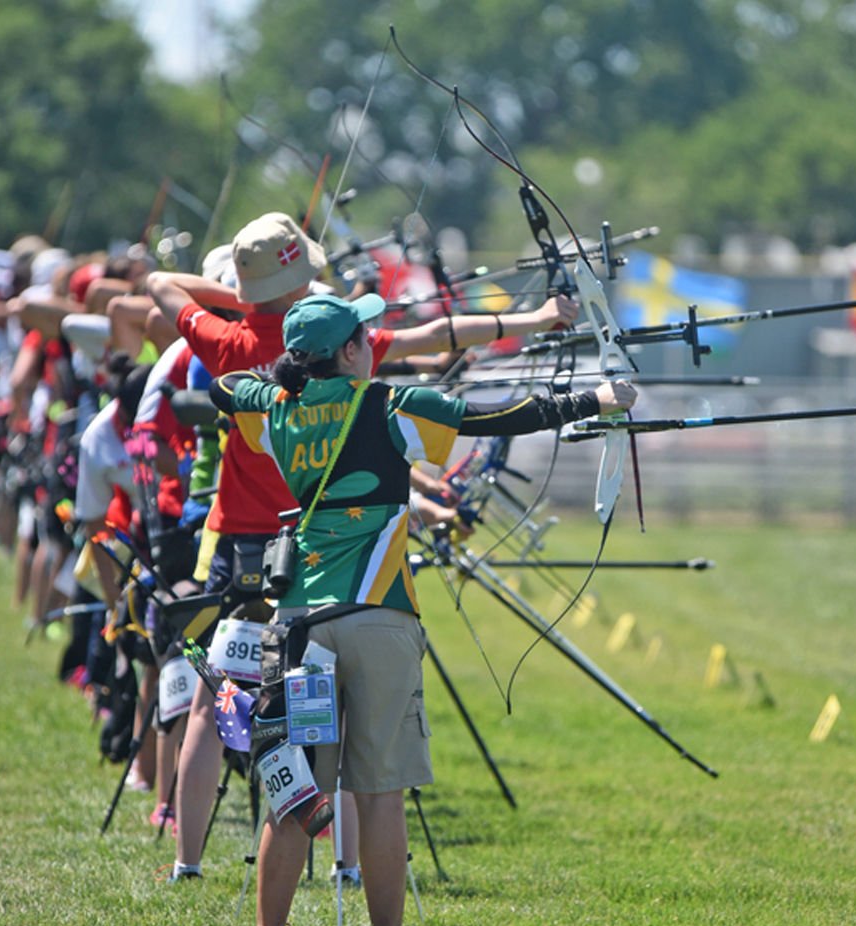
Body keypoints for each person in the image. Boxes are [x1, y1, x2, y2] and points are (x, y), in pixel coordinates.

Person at [147, 211, 580, 883]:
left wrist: (255, 300)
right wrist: (541, 318)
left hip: (242, 542)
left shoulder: (229, 341)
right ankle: (347, 865)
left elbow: (160, 286)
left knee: (217, 699)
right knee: (345, 707)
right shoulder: (343, 344)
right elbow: (437, 334)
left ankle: (189, 860)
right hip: (316, 548)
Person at [209, 292, 636, 926]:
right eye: (365, 336)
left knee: (296, 786)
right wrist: (596, 400)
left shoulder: (277, 413)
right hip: (380, 617)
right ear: (351, 351)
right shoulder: (388, 405)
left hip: (298, 625)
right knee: (380, 790)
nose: (373, 342)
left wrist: (279, 381)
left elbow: (226, 388)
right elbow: (498, 419)